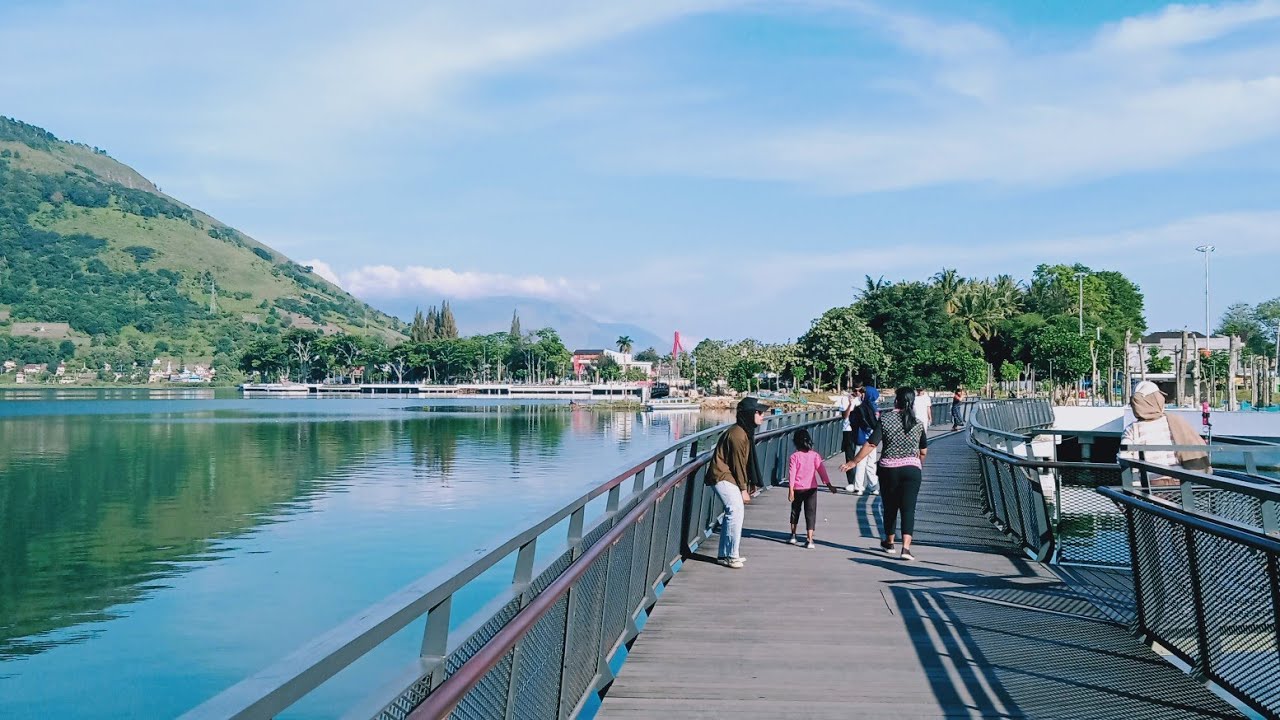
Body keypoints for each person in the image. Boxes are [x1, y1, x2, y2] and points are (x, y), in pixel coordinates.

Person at [841, 387, 928, 561]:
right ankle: (906, 548)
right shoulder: (917, 423)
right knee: (908, 508)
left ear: (897, 401)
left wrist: (854, 461)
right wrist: (917, 465)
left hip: (889, 469)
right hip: (912, 470)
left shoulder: (886, 419)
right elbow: (923, 450)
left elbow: (872, 444)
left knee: (890, 507)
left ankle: (889, 543)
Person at [705, 396, 768, 568]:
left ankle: (724, 554)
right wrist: (743, 489)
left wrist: (748, 484)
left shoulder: (744, 431)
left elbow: (744, 463)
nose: (763, 415)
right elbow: (738, 464)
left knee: (733, 512)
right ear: (749, 414)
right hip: (722, 475)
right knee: (735, 510)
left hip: (729, 476)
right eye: (759, 412)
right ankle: (732, 555)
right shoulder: (738, 435)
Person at [1119, 381, 1209, 485]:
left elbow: (1124, 457)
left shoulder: (1132, 429)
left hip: (1148, 484)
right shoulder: (1174, 421)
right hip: (1179, 481)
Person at [787, 428, 838, 548]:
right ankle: (809, 540)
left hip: (798, 488)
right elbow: (822, 471)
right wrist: (829, 485)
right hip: (811, 488)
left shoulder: (794, 456)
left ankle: (793, 536)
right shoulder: (815, 456)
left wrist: (790, 491)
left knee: (795, 511)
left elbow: (792, 474)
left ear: (795, 442)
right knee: (810, 513)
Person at [849, 383, 880, 495]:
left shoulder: (860, 408)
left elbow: (852, 421)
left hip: (861, 437)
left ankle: (859, 486)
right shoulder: (875, 408)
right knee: (871, 464)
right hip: (873, 439)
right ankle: (873, 486)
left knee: (860, 462)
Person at [837, 388, 858, 491]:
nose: (856, 392)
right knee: (850, 456)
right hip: (848, 430)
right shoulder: (845, 400)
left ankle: (858, 483)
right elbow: (845, 416)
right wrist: (850, 404)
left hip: (859, 431)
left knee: (860, 456)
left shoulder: (862, 399)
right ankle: (851, 483)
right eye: (854, 390)